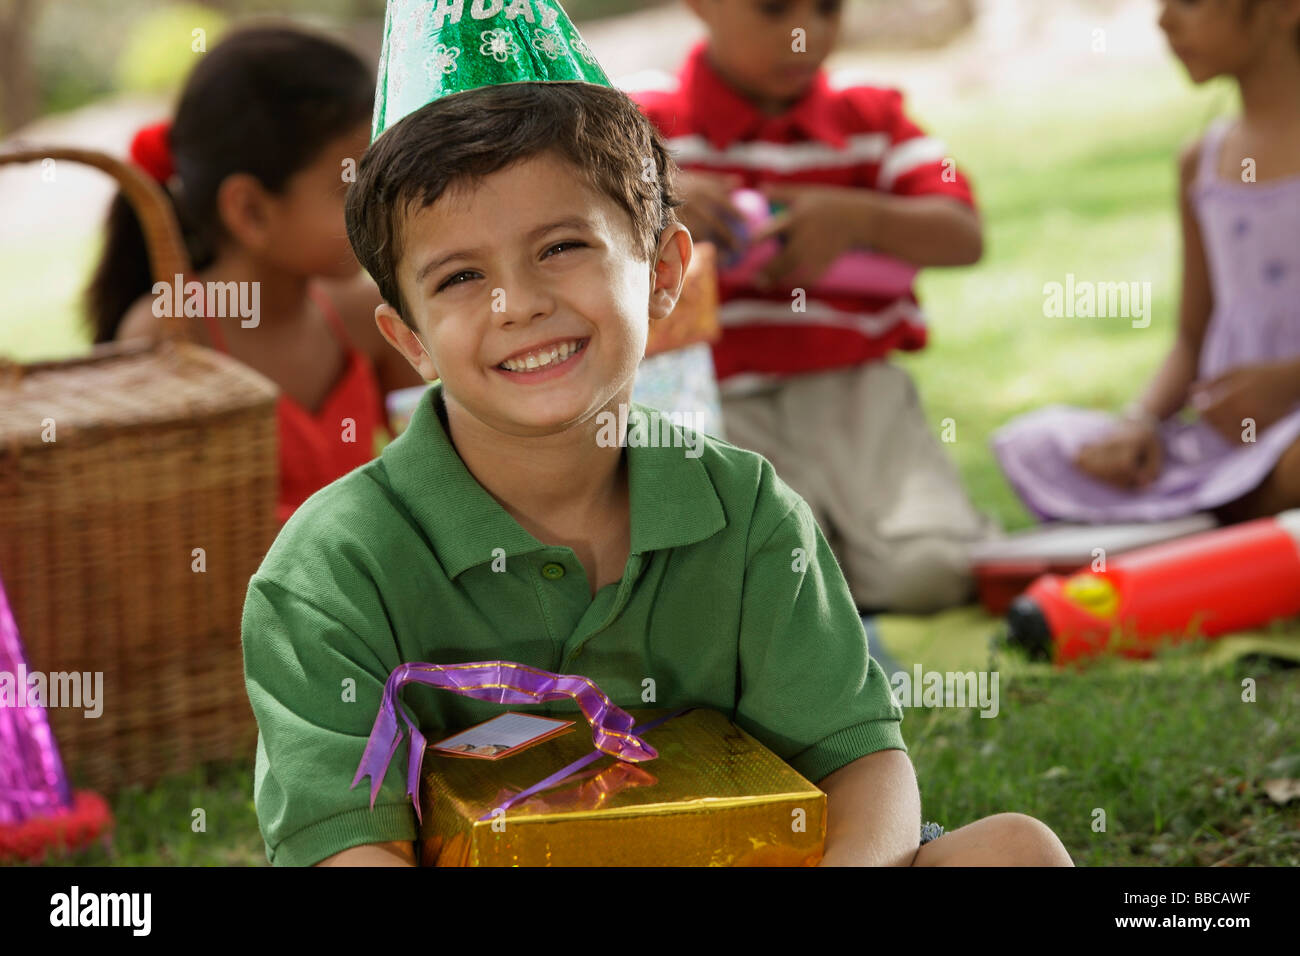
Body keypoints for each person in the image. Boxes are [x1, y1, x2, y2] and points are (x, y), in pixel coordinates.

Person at [242, 0, 1070, 868]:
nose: (517, 303)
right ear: (410, 340)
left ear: (665, 271)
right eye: (459, 275)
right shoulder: (329, 570)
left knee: (1016, 851)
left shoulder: (747, 512)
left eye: (562, 246)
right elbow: (345, 850)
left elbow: (863, 766)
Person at [622, 0, 995, 614]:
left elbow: (963, 234)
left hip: (859, 398)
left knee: (930, 573)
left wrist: (858, 218)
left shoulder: (871, 119)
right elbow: (558, 233)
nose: (807, 34)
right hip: (711, 404)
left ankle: (858, 561)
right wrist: (647, 201)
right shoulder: (637, 123)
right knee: (760, 588)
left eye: (829, 8)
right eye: (774, 10)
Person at [86, 24, 426, 526]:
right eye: (350, 188)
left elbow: (431, 465)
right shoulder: (170, 337)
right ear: (250, 212)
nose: (382, 208)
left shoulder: (364, 315)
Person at [993, 0, 1300, 525]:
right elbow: (1191, 338)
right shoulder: (1199, 163)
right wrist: (1137, 424)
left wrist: (1287, 384)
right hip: (1219, 444)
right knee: (1037, 441)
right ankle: (1228, 525)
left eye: (1189, 2)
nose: (1163, 21)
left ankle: (1204, 528)